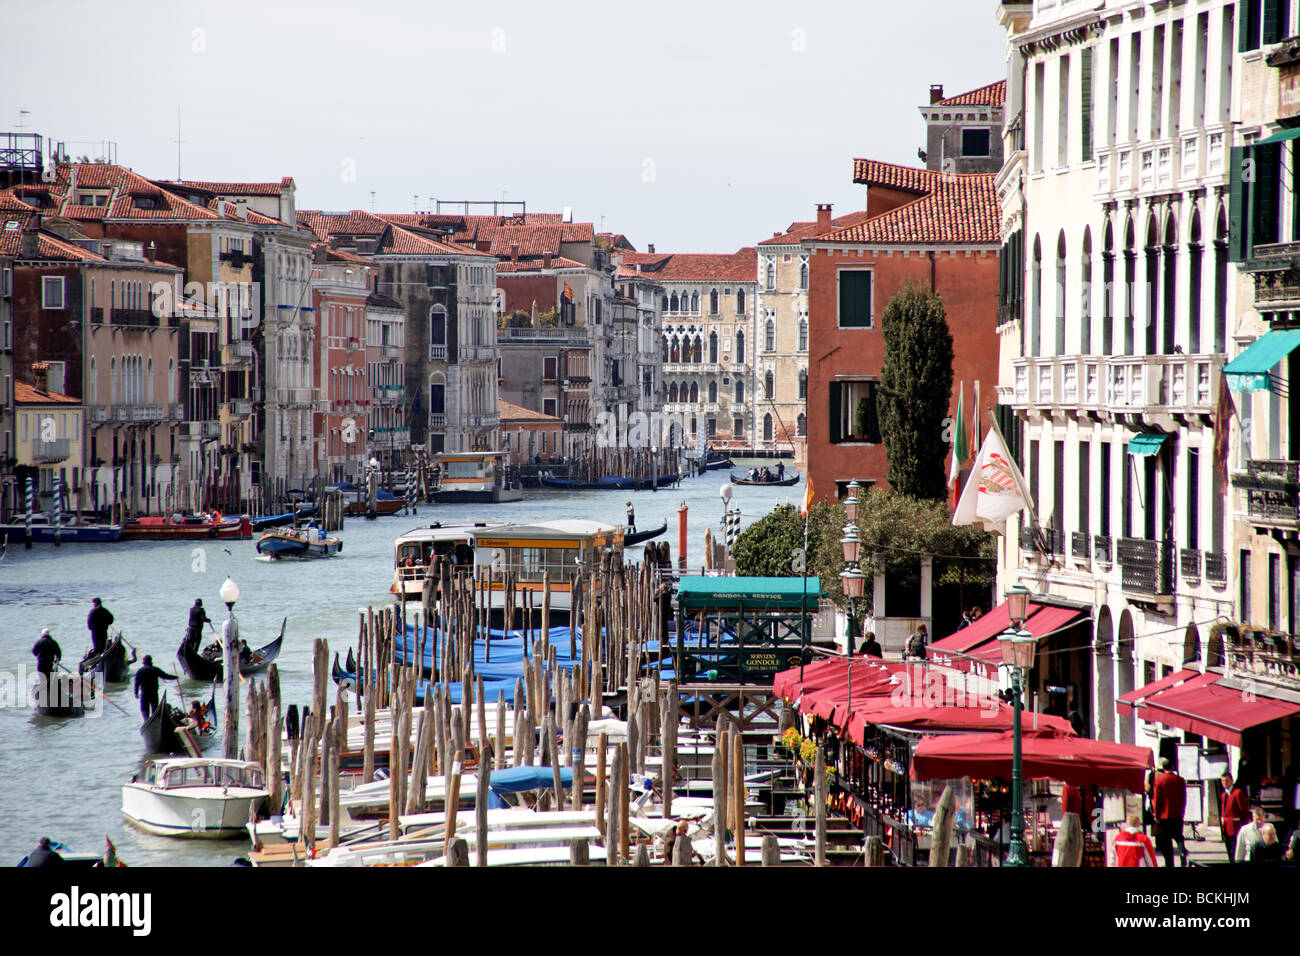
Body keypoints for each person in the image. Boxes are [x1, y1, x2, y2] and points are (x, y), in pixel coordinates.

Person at [1151, 757, 1189, 867]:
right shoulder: (1180, 780)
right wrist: (1182, 811)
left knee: (1166, 840)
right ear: (1172, 767)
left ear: (1163, 767)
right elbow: (1183, 797)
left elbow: (1157, 799)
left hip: (1164, 815)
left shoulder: (1159, 780)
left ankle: (1169, 863)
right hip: (1177, 814)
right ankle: (1182, 852)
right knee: (1178, 836)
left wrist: (1156, 814)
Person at [134, 654, 178, 721]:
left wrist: (136, 693)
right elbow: (165, 676)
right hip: (153, 693)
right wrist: (175, 677)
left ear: (143, 662)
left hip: (144, 693)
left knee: (144, 710)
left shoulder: (140, 671)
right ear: (151, 661)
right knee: (154, 709)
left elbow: (136, 683)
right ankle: (154, 721)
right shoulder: (155, 669)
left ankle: (146, 721)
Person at [1219, 773, 1251, 862]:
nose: (1224, 783)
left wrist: (1245, 826)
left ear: (1232, 781)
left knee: (1236, 852)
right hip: (1226, 827)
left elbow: (1244, 810)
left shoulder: (1237, 793)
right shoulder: (1223, 795)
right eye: (1223, 781)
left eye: (1227, 780)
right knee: (1229, 851)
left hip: (1236, 827)